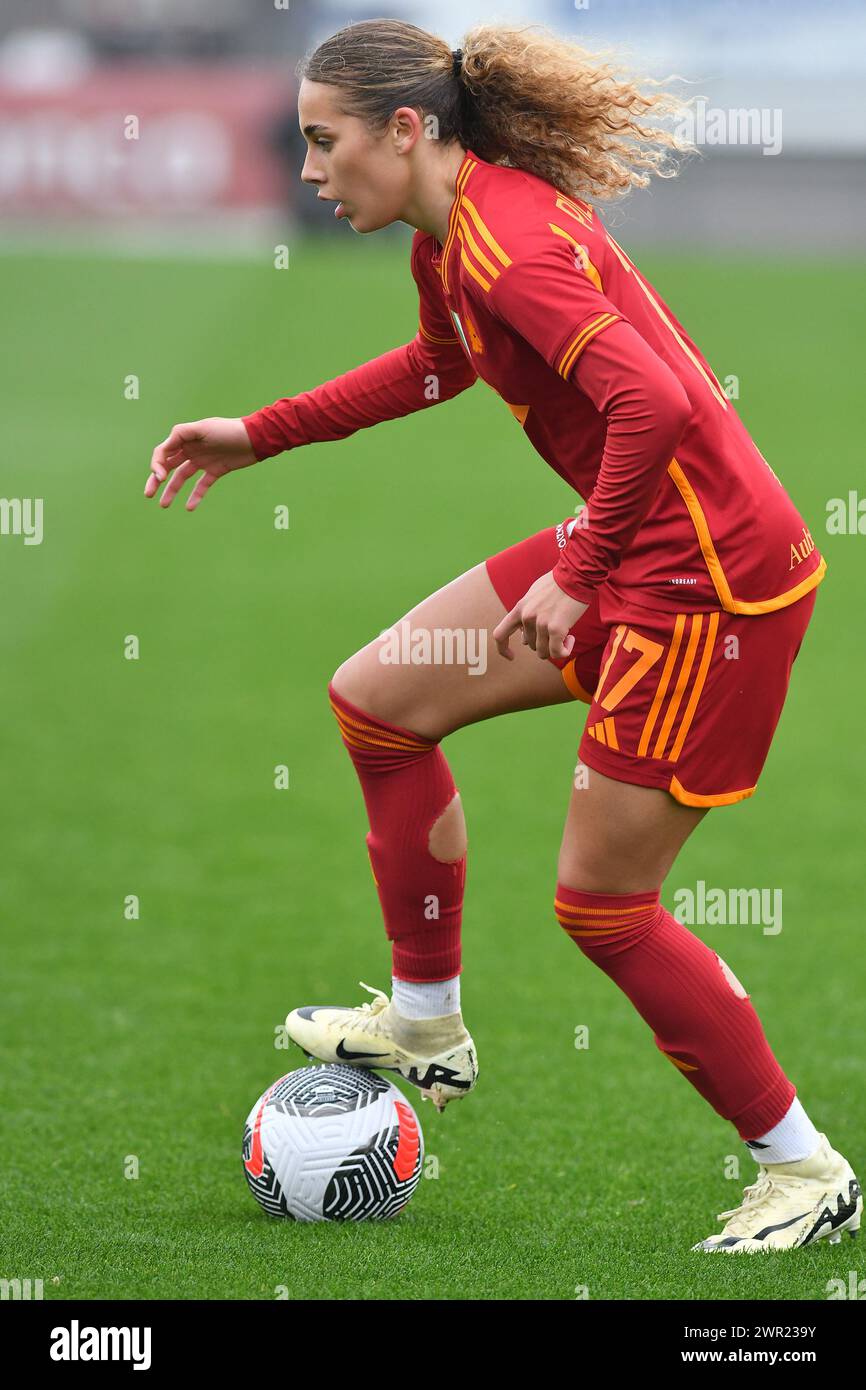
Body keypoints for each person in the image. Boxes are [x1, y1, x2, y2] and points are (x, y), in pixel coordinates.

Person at [145, 20, 860, 1253]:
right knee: (378, 700)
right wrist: (260, 432)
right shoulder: (453, 234)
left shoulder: (507, 239)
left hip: (704, 586)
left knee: (604, 908)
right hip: (632, 546)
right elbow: (437, 368)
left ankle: (803, 1169)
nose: (310, 170)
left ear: (406, 129)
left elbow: (659, 399)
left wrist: (580, 576)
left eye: (325, 142)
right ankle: (425, 1020)